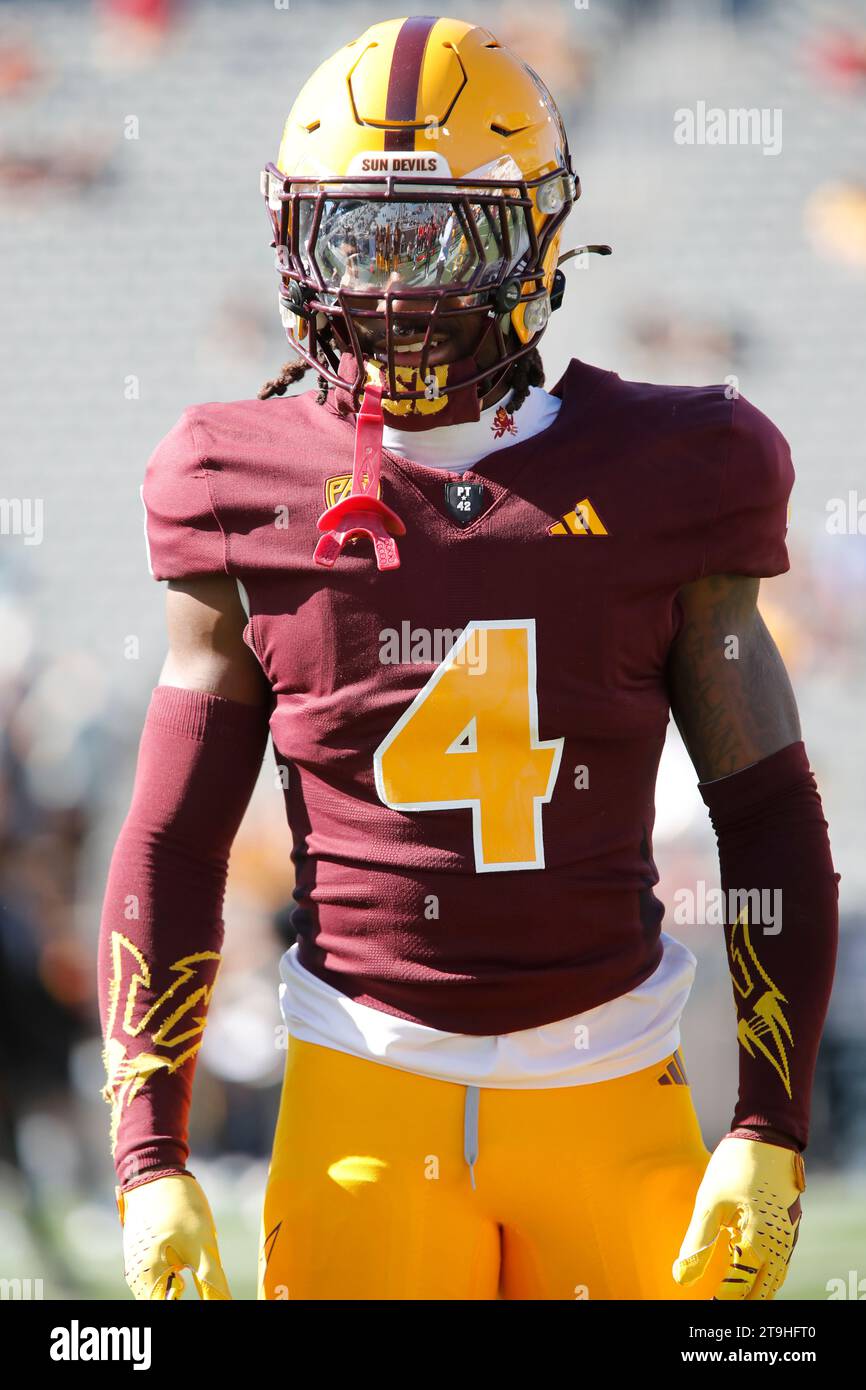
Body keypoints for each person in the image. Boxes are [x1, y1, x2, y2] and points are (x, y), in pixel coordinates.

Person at [99, 15, 838, 1302]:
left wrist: (769, 1123)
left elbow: (766, 812)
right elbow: (173, 838)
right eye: (359, 238)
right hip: (361, 1099)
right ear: (294, 245)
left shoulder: (676, 470)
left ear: (537, 238)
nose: (395, 286)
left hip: (611, 1087)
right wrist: (148, 1151)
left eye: (438, 234)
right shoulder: (238, 478)